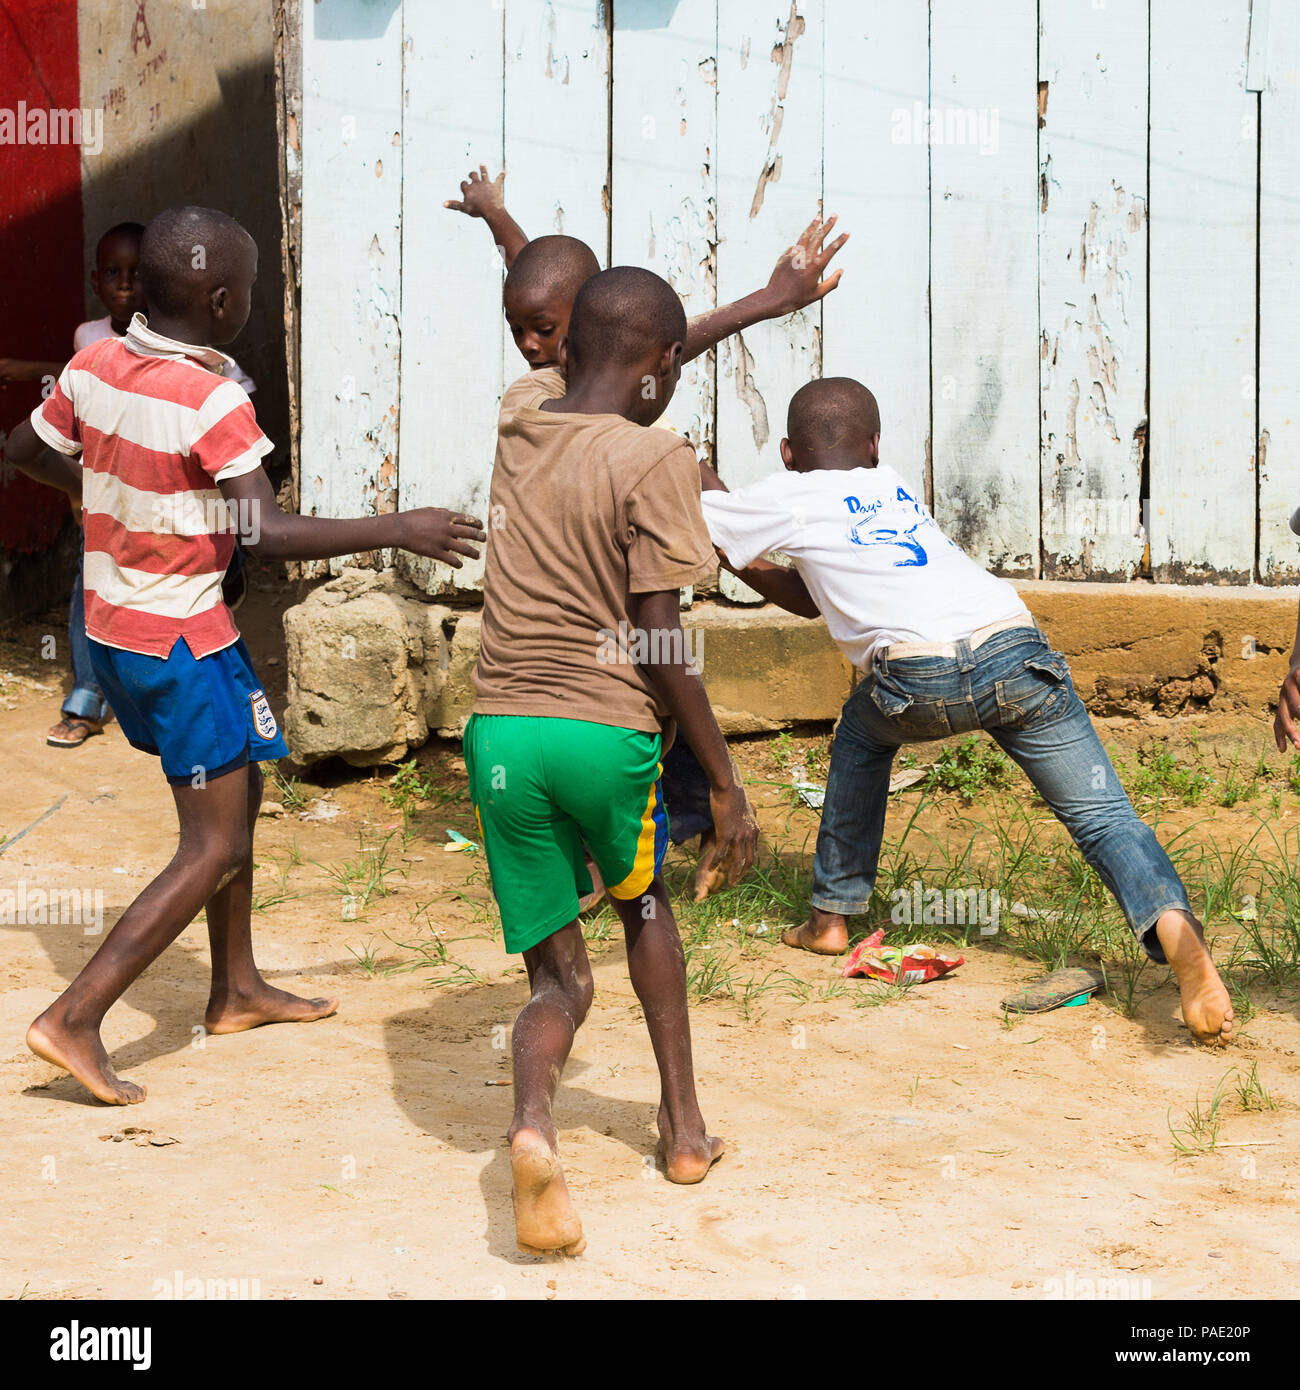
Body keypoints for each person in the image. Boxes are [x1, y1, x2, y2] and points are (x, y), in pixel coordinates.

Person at [3, 205, 486, 1104]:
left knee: (242, 795)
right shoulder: (214, 396)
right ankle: (75, 1016)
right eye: (254, 290)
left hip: (115, 630)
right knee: (212, 841)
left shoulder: (95, 362)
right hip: (181, 638)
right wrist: (399, 526)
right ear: (224, 301)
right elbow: (262, 533)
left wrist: (104, 493)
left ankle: (236, 988)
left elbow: (24, 447)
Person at [699, 376, 1235, 1047]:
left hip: (916, 678)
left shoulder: (790, 493)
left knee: (861, 732)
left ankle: (831, 916)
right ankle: (1171, 926)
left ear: (785, 452)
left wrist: (702, 482)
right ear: (874, 445)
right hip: (1015, 651)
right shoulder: (889, 486)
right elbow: (811, 598)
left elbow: (696, 517)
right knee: (1103, 818)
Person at [450, 164, 847, 898]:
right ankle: (629, 854)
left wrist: (498, 218)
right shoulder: (543, 408)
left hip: (575, 690)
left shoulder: (551, 415)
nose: (534, 347)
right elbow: (588, 309)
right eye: (522, 333)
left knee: (659, 688)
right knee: (652, 682)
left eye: (547, 332)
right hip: (598, 682)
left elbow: (639, 339)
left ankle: (667, 827)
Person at [464, 266, 759, 1254]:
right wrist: (721, 778)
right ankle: (681, 1131)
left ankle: (533, 1125)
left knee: (556, 982)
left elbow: (578, 344)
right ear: (664, 367)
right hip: (603, 732)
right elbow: (661, 635)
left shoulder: (517, 416)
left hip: (500, 733)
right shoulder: (657, 456)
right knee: (644, 905)